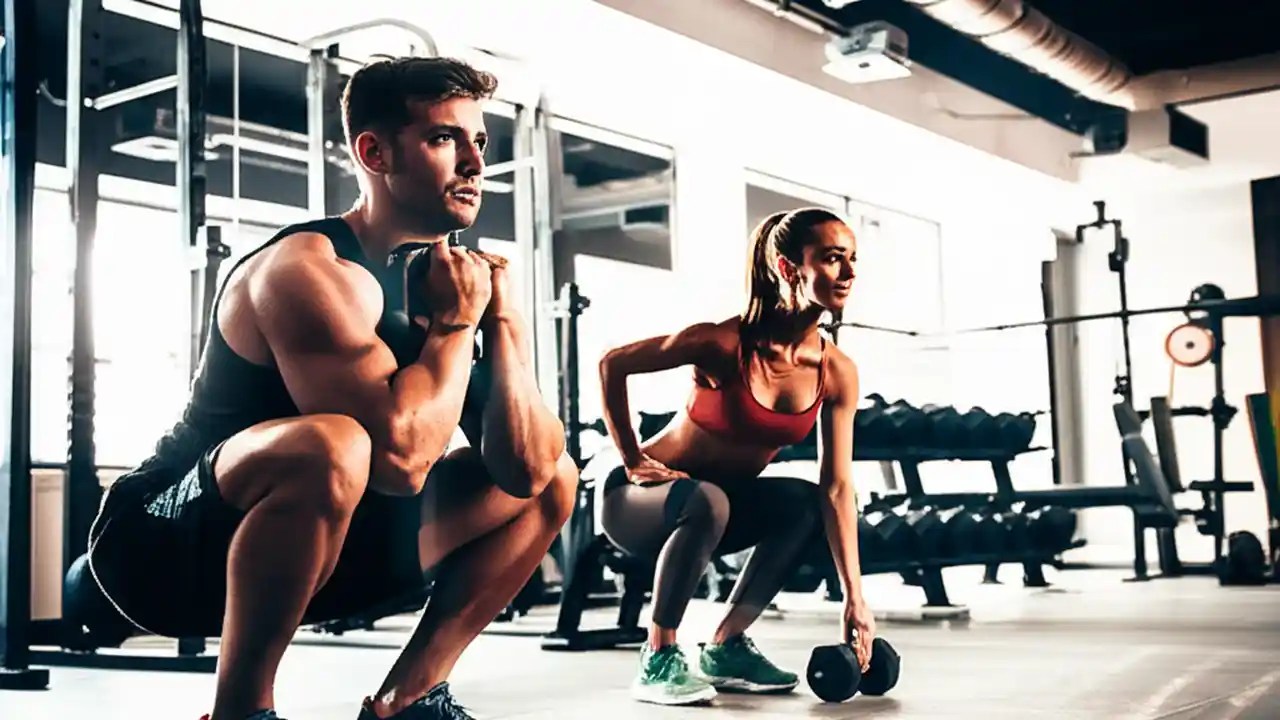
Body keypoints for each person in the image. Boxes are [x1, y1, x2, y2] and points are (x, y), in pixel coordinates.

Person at [83, 56, 577, 720]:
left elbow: (528, 469)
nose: (473, 163)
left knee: (556, 473)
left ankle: (411, 701)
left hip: (324, 555)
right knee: (333, 444)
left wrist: (507, 318)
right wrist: (459, 323)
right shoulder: (307, 270)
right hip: (161, 548)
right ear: (374, 152)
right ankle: (241, 713)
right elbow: (400, 462)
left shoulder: (446, 281)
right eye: (443, 139)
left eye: (479, 142)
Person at [596, 207, 874, 706]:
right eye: (833, 259)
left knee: (807, 502)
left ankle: (725, 646)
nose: (850, 273)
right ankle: (658, 656)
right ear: (790, 269)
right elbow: (613, 364)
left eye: (853, 259)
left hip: (715, 511)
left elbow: (837, 487)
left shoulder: (836, 371)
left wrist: (855, 595)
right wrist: (632, 456)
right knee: (707, 501)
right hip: (638, 502)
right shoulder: (723, 343)